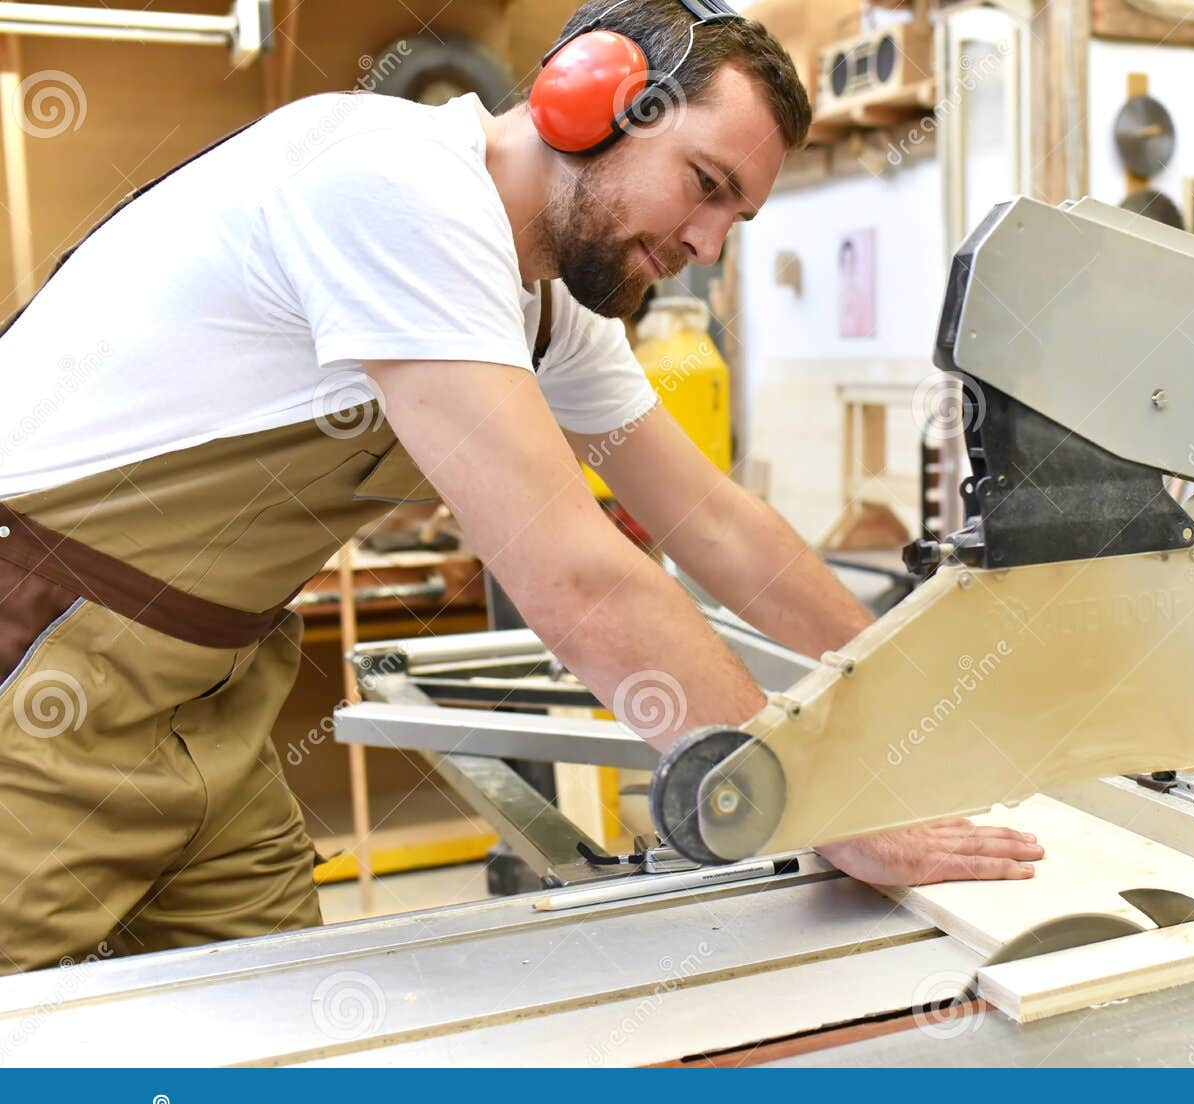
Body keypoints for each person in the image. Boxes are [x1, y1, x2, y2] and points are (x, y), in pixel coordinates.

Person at [0, 0, 1039, 975]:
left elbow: (716, 522)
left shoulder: (549, 306)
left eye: (739, 219)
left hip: (212, 699)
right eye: (706, 184)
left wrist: (925, 715)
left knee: (274, 1046)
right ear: (588, 96)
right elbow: (577, 575)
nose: (706, 246)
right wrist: (811, 801)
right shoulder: (389, 183)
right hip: (35, 668)